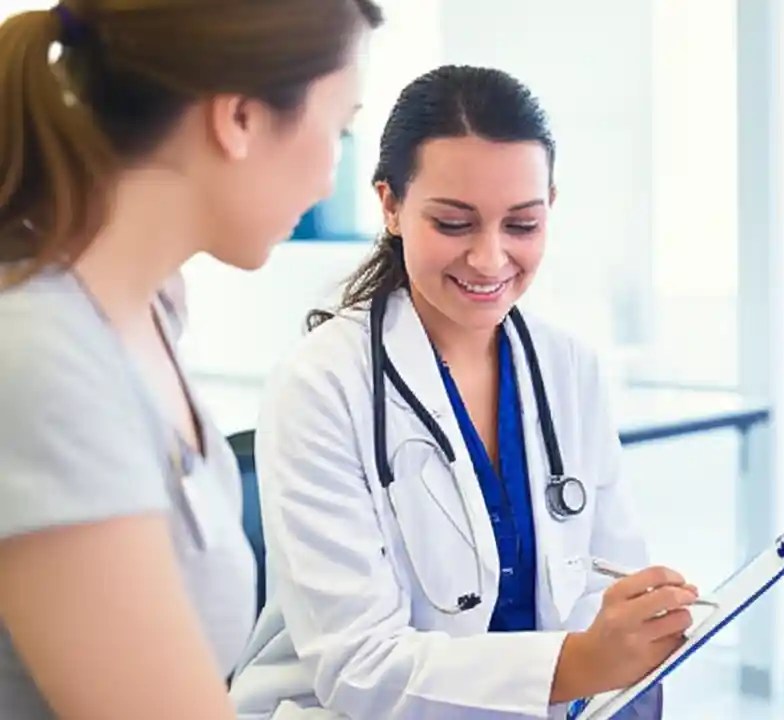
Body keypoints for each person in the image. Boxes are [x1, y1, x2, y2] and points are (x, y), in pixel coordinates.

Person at [229, 65, 695, 720]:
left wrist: (642, 634)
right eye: (454, 224)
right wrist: (585, 662)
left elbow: (603, 585)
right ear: (390, 205)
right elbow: (360, 669)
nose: (489, 259)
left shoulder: (570, 368)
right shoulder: (321, 386)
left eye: (522, 225)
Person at [0, 2, 382, 719]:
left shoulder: (151, 310)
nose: (334, 177)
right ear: (237, 119)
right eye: (341, 127)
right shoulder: (42, 359)